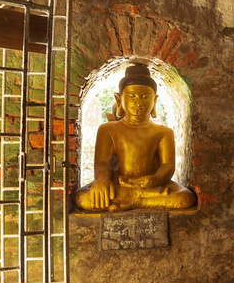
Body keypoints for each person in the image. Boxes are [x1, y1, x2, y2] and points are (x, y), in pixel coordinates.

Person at [74, 62, 196, 212]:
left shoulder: (164, 132)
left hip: (152, 185)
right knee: (83, 197)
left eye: (145, 97)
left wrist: (154, 180)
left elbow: (167, 166)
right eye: (131, 96)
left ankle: (135, 202)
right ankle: (144, 199)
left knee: (185, 197)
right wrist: (102, 180)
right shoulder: (107, 129)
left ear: (154, 101)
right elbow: (102, 162)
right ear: (120, 100)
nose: (138, 103)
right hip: (121, 184)